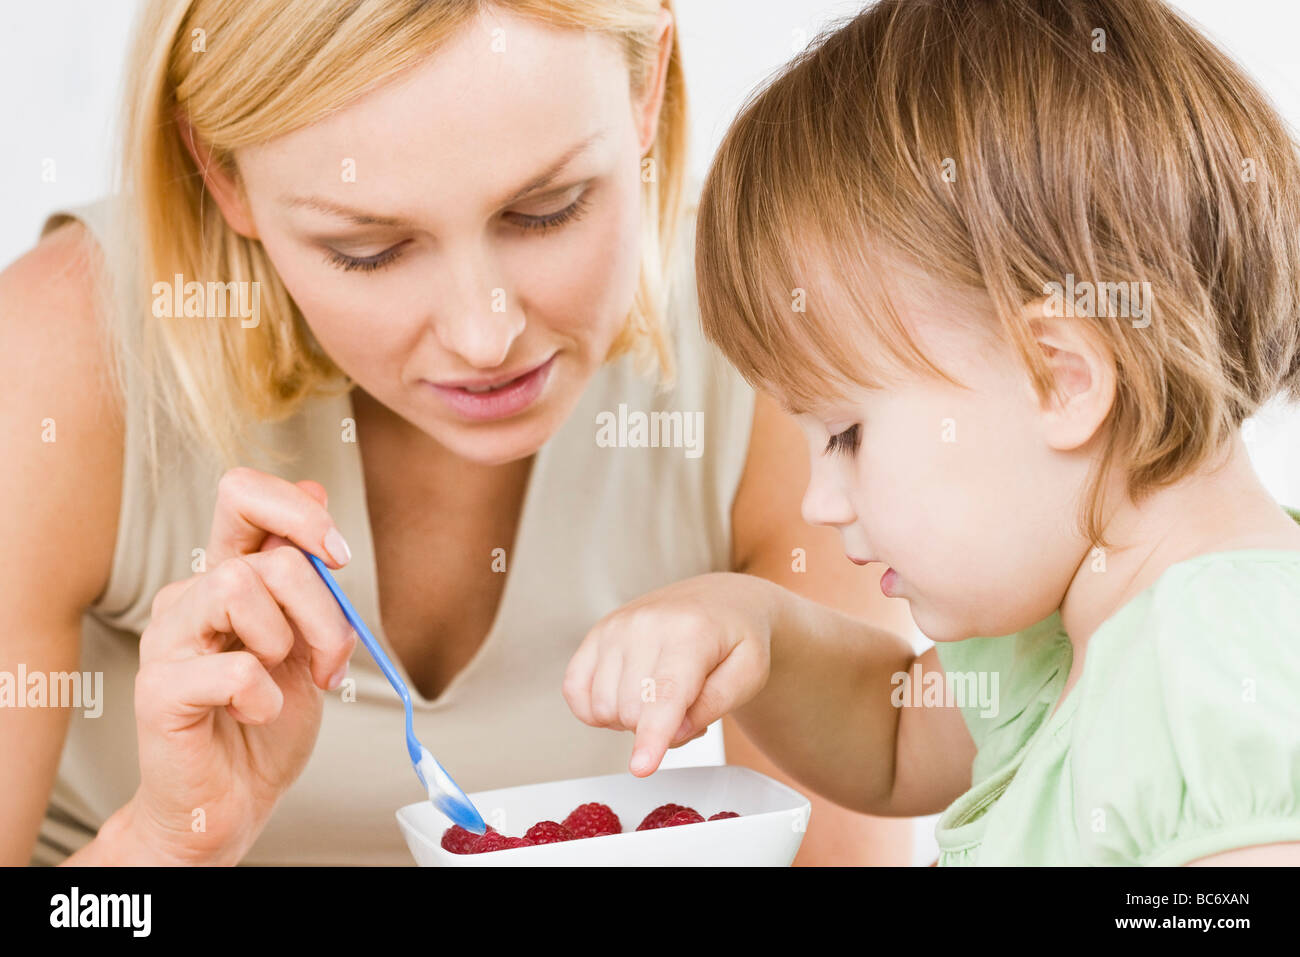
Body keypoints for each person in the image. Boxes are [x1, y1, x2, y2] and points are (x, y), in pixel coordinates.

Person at [0, 0, 917, 865]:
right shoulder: (60, 353)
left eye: (547, 208)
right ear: (222, 173)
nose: (485, 337)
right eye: (369, 249)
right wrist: (165, 844)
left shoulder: (769, 345)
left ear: (648, 89)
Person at [564, 0, 1300, 865]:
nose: (819, 500)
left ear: (1057, 380)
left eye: (844, 432)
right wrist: (753, 627)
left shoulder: (1214, 674)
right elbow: (890, 738)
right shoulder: (1061, 630)